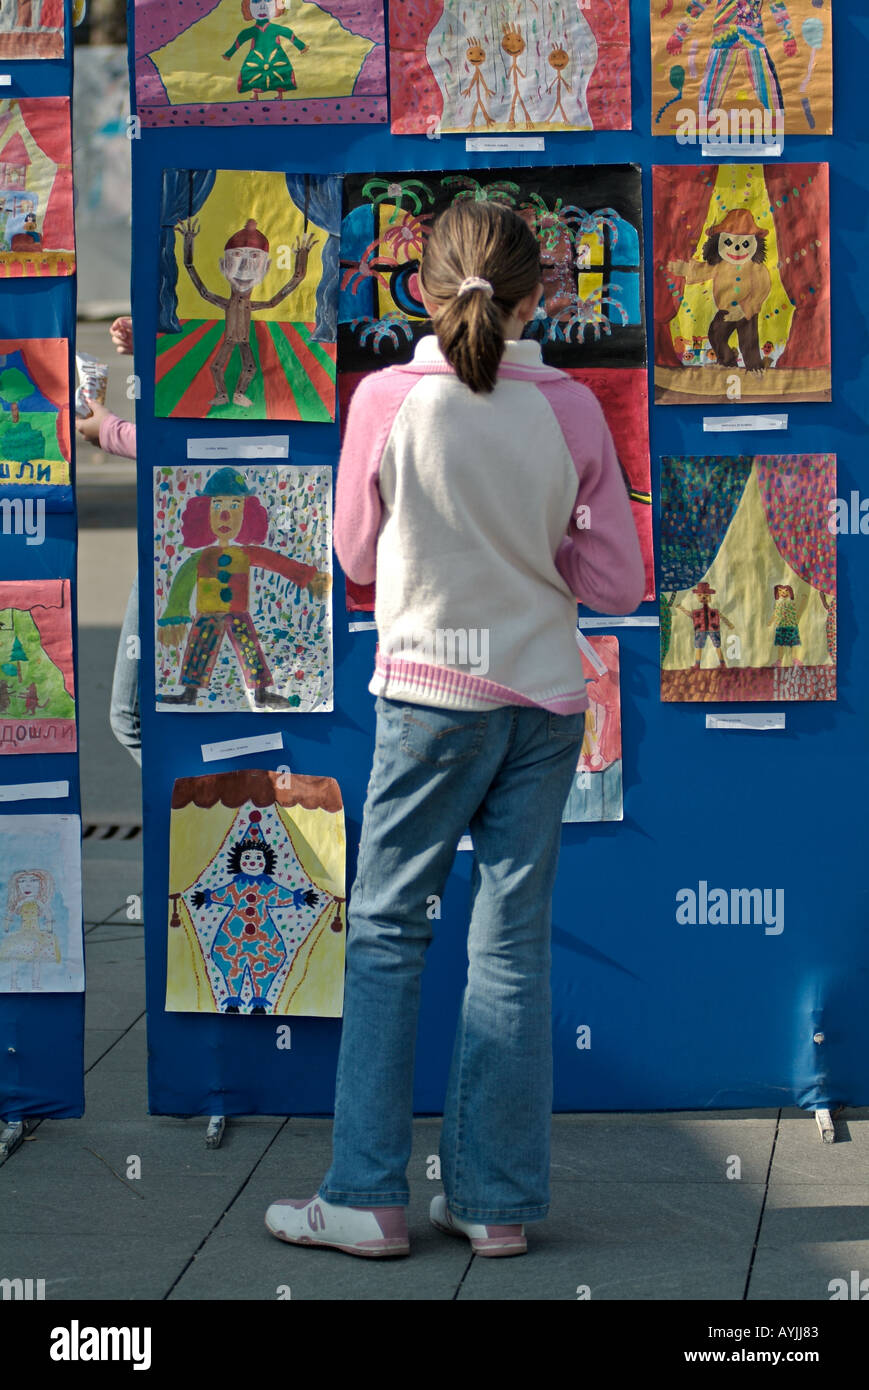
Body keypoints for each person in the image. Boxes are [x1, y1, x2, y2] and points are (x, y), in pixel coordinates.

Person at [264, 201, 645, 1259]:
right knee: (511, 945)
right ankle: (494, 1201)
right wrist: (543, 546)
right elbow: (614, 575)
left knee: (387, 933)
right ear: (540, 298)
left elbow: (350, 555)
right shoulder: (570, 408)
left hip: (429, 695)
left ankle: (366, 1197)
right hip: (542, 701)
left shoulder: (386, 398)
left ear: (417, 291)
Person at [74, 316, 141, 766]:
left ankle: (204, 828)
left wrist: (108, 431)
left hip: (184, 533)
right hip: (186, 529)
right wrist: (156, 348)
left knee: (129, 718)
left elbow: (208, 437)